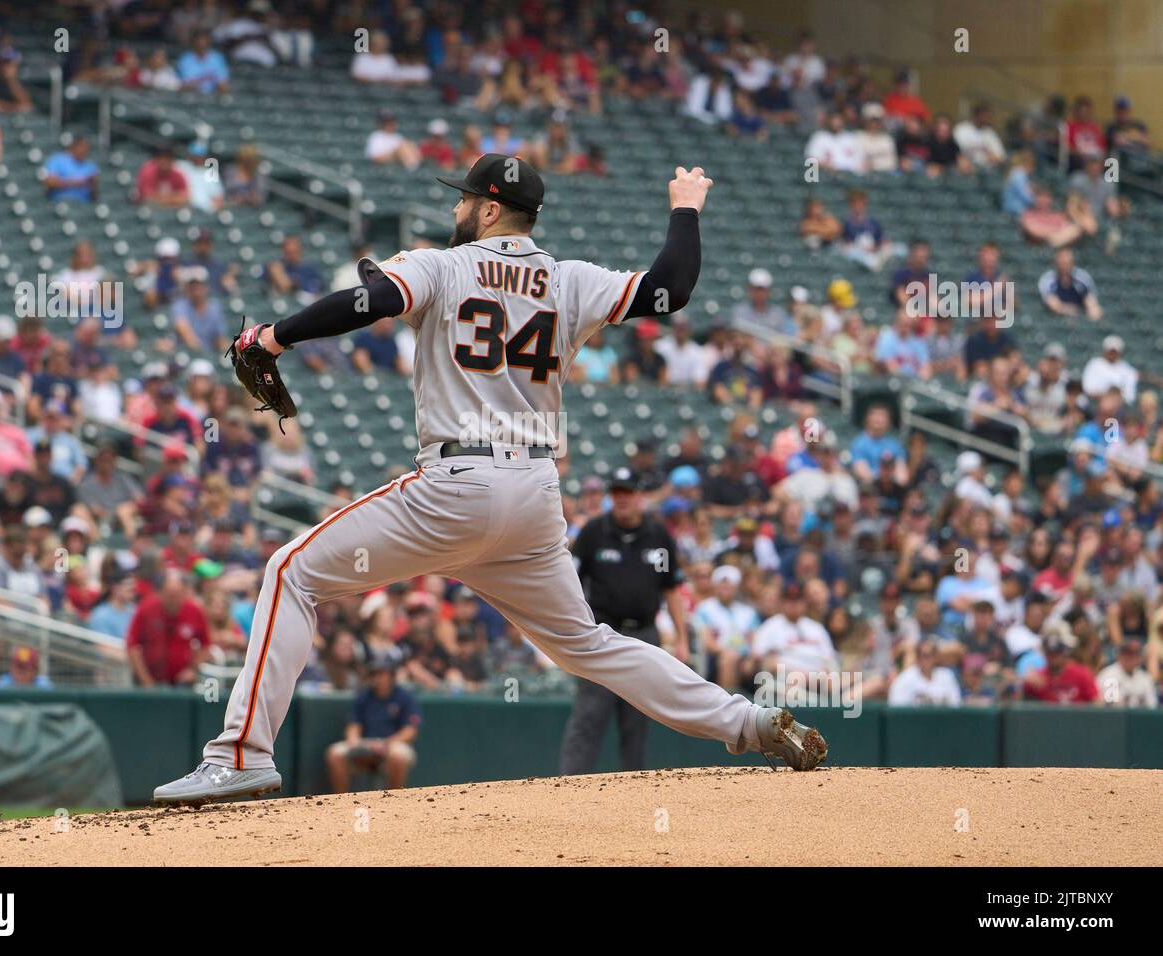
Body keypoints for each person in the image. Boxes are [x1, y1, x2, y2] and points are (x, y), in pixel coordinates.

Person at [152, 156, 827, 804]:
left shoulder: (440, 265)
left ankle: (238, 756)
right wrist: (685, 210)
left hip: (457, 484)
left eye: (463, 197)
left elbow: (371, 300)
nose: (455, 206)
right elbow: (671, 289)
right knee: (591, 645)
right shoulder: (569, 279)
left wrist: (274, 338)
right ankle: (745, 723)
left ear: (489, 207)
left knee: (291, 573)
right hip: (533, 497)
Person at [559, 467, 687, 775]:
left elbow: (672, 590)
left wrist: (682, 637)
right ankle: (567, 791)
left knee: (636, 722)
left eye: (627, 493)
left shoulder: (659, 536)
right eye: (616, 493)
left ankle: (634, 797)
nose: (621, 499)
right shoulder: (593, 533)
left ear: (640, 497)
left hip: (644, 635)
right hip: (602, 634)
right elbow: (569, 581)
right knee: (588, 718)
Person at [325, 656, 421, 792]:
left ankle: (393, 799)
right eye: (376, 674)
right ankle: (342, 799)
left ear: (391, 676)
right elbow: (353, 726)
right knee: (335, 754)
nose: (379, 678)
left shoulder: (404, 697)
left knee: (399, 756)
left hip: (392, 743)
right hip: (367, 743)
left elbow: (410, 731)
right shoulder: (364, 696)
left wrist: (386, 743)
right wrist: (355, 743)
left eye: (383, 674)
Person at [126, 569, 211, 687]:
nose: (173, 600)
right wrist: (145, 679)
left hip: (182, 684)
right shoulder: (146, 608)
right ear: (160, 593)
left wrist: (193, 669)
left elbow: (206, 644)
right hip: (149, 681)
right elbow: (132, 644)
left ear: (184, 593)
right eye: (169, 595)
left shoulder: (194, 611)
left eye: (177, 595)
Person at [42, 134, 98, 202]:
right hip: (60, 203)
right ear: (74, 146)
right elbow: (50, 182)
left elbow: (94, 191)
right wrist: (79, 183)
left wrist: (92, 185)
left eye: (86, 148)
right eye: (82, 147)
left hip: (83, 205)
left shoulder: (90, 166)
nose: (84, 150)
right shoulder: (57, 159)